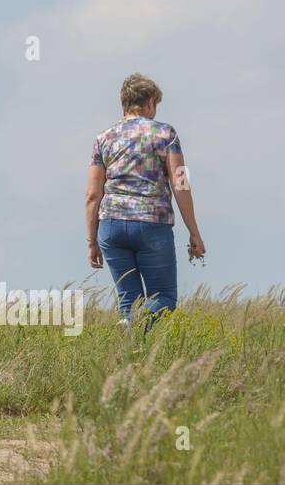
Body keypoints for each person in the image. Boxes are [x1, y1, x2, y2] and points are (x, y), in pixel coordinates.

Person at [85, 73, 206, 334]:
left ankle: (133, 352)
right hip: (152, 224)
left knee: (129, 302)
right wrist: (194, 231)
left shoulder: (103, 139)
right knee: (163, 298)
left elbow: (92, 195)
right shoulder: (166, 134)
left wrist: (92, 240)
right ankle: (131, 326)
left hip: (111, 226)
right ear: (150, 102)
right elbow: (180, 182)